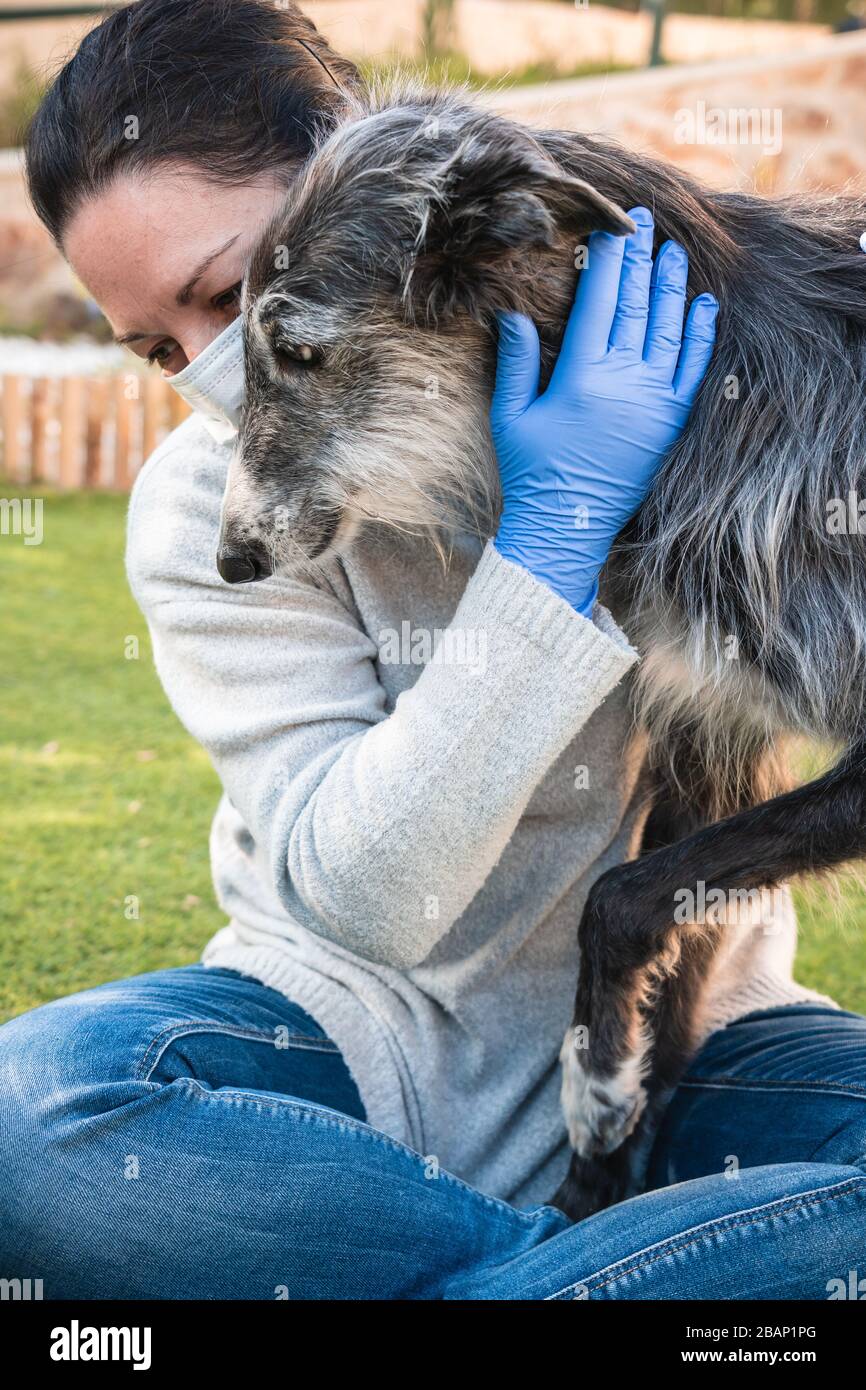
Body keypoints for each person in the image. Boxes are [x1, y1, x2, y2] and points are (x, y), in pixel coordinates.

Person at [1, 0, 864, 1300]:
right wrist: (552, 542)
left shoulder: (663, 376)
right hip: (346, 1054)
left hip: (700, 1054)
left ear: (374, 180)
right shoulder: (202, 513)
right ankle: (646, 1278)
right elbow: (374, 901)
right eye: (155, 349)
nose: (217, 378)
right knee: (32, 1118)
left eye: (234, 296)